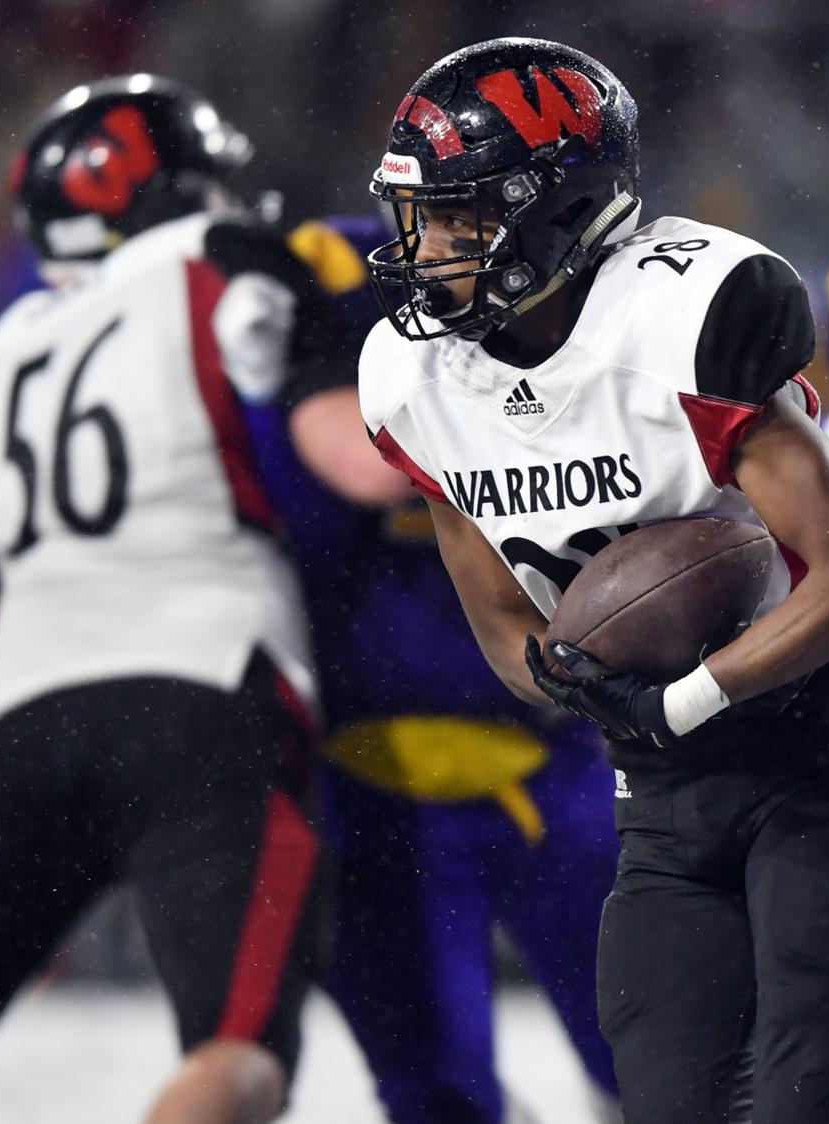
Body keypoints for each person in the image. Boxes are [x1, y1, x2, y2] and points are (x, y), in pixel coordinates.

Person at [355, 36, 829, 1124]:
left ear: (562, 207)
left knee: (801, 1107)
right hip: (658, 786)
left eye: (462, 215)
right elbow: (499, 616)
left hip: (815, 739)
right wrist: (581, 680)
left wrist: (680, 697)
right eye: (424, 215)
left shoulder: (679, 315)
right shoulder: (413, 378)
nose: (430, 248)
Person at [0, 76, 330, 1123]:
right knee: (237, 1052)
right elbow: (335, 442)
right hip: (203, 685)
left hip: (21, 705)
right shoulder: (215, 265)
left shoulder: (4, 348)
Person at [253, 212, 624, 1122]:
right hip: (368, 790)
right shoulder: (270, 418)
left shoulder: (543, 372)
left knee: (660, 1060)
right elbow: (365, 472)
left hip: (554, 762)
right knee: (437, 1095)